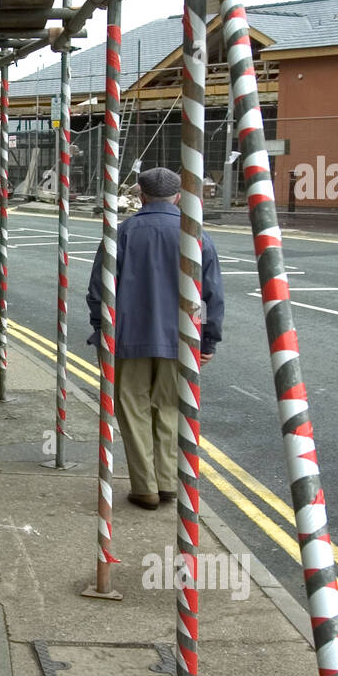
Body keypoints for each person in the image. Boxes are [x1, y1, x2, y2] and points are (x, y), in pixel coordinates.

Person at [85, 166, 224, 510]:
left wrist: (101, 330)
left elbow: (99, 291)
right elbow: (209, 297)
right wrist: (207, 341)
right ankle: (167, 482)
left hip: (128, 338)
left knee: (133, 411)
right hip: (181, 340)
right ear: (178, 197)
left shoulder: (121, 233)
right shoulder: (197, 236)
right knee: (172, 410)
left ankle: (144, 486)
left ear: (141, 195)